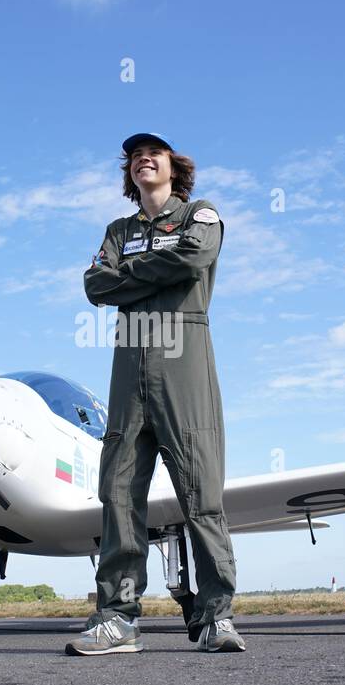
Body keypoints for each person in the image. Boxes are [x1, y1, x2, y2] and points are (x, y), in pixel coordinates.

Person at [66, 131, 245, 656]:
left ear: (175, 167)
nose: (144, 159)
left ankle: (217, 618)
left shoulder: (200, 216)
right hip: (129, 362)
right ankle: (117, 618)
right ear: (129, 174)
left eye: (155, 153)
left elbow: (192, 260)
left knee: (201, 493)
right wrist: (131, 276)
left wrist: (128, 275)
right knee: (118, 493)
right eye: (135, 157)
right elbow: (95, 286)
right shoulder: (118, 229)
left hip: (182, 355)